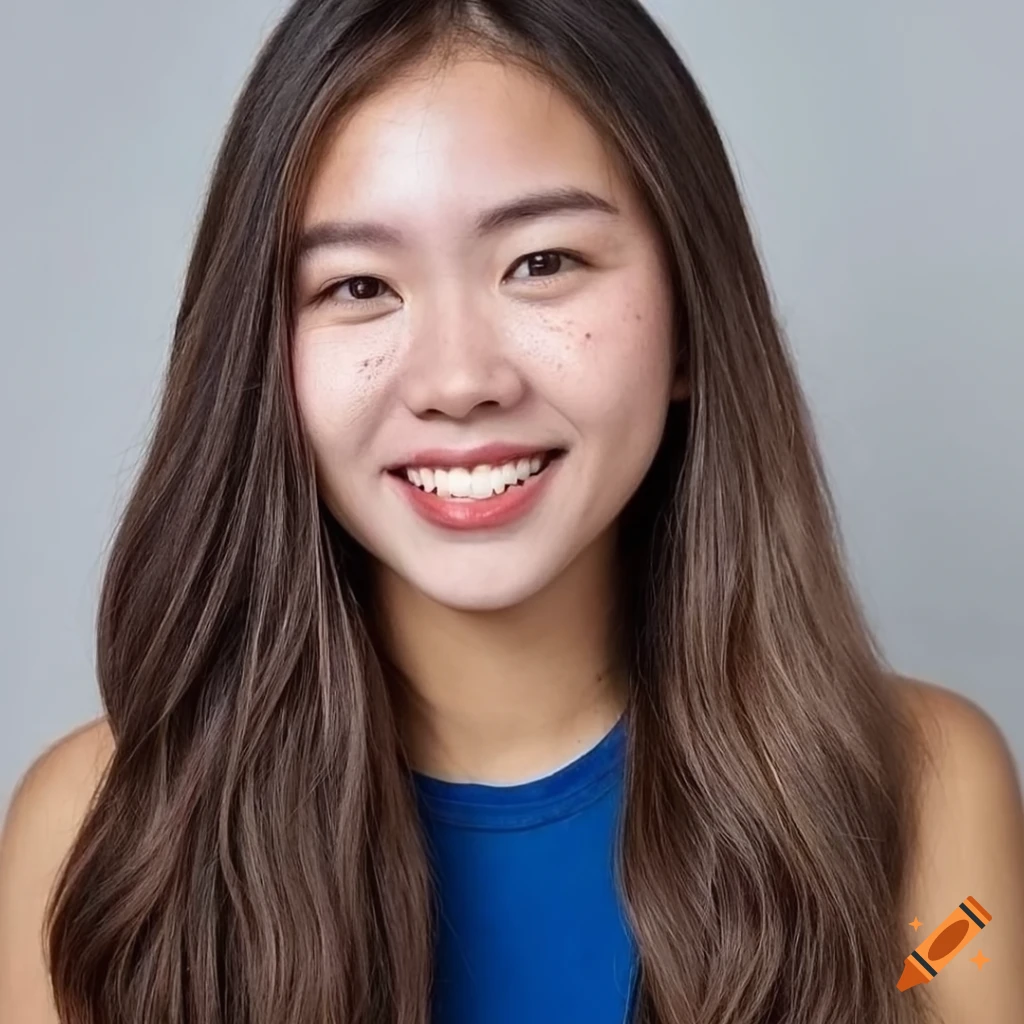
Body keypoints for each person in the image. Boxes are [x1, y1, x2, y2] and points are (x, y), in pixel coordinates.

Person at [2, 1, 1022, 1022]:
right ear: (264, 362)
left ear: (686, 321)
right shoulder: (92, 835)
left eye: (542, 263)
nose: (457, 379)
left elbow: (941, 954)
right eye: (358, 283)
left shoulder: (926, 787)